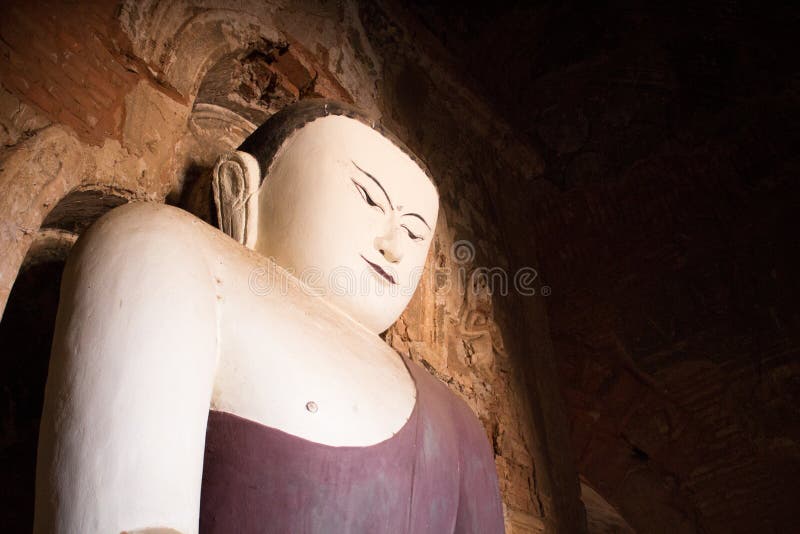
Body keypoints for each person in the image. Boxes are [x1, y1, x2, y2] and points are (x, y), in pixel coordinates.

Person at [34, 100, 503, 533]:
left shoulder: (455, 419)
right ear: (241, 190)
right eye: (368, 198)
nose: (394, 246)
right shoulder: (169, 249)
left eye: (415, 232)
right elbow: (124, 513)